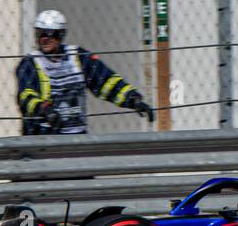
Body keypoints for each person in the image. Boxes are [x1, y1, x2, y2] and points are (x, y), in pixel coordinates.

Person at [16, 9, 154, 135]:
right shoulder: (29, 63)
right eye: (40, 33)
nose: (44, 39)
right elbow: (26, 96)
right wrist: (44, 109)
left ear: (61, 35)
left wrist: (133, 99)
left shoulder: (78, 57)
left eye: (51, 34)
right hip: (42, 138)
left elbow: (106, 81)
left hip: (76, 135)